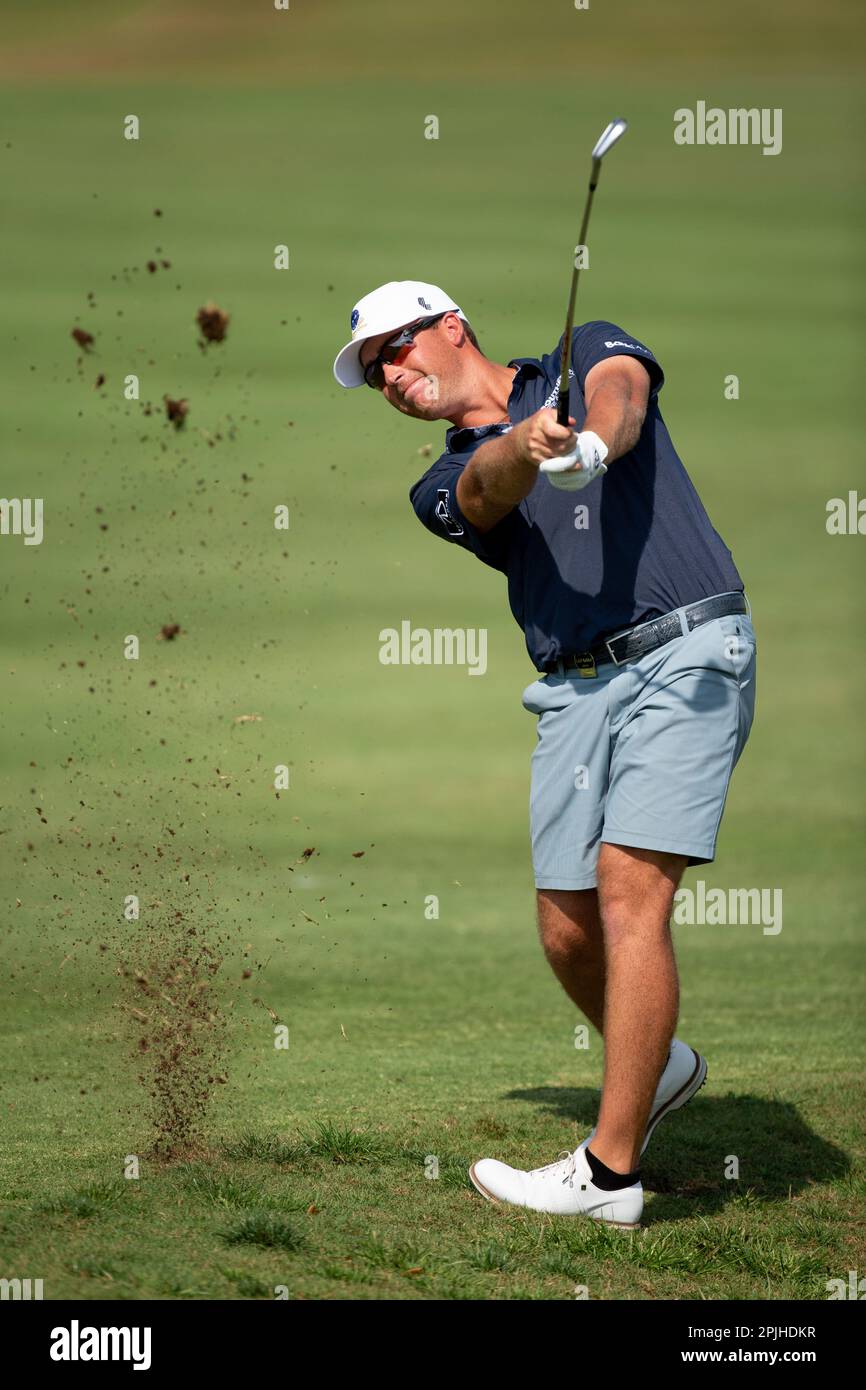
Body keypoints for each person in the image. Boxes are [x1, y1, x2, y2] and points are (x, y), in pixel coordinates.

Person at [333, 280, 757, 1227]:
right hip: (570, 688)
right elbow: (486, 491)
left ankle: (609, 1177)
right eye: (375, 375)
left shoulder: (581, 349)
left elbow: (624, 395)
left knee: (628, 889)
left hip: (685, 646)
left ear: (452, 327)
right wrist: (528, 447)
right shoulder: (438, 483)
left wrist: (592, 443)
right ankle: (664, 1069)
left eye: (398, 350)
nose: (392, 377)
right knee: (567, 927)